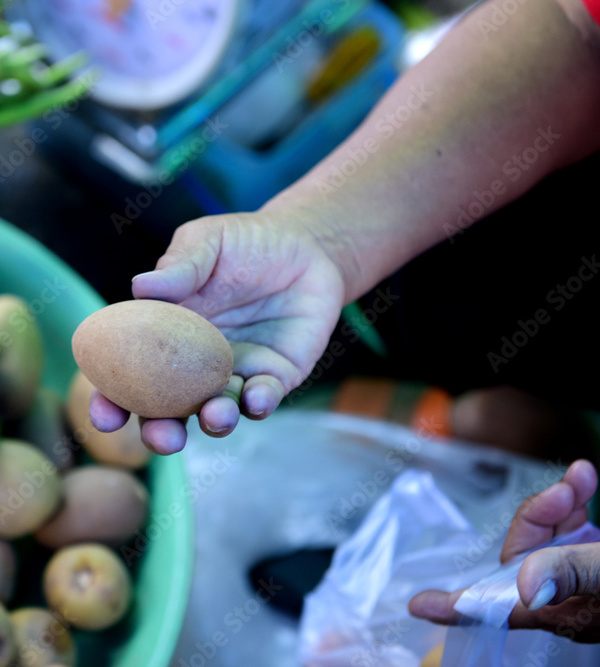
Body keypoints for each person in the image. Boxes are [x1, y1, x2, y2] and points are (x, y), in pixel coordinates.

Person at [88, 0, 600, 641]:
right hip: (527, 230)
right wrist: (319, 235)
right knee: (471, 335)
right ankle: (499, 421)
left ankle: (514, 428)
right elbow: (577, 26)